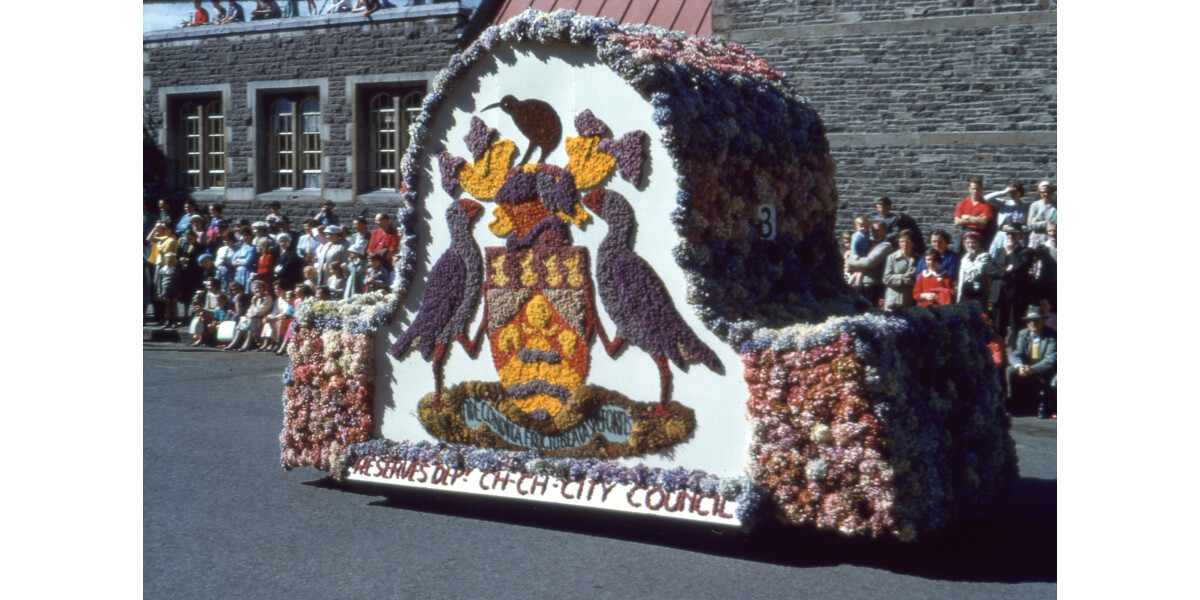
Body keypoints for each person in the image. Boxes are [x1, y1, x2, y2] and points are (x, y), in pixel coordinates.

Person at [1006, 305, 1057, 418]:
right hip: (1026, 367)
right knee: (1010, 370)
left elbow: (1051, 359)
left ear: (1043, 321)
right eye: (1030, 321)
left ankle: (1044, 406)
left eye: (1036, 320)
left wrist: (1034, 369)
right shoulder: (1023, 334)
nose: (1032, 323)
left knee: (1051, 373)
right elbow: (1015, 353)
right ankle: (1013, 405)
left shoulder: (1052, 335)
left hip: (1043, 369)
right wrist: (1020, 366)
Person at [987, 226, 1034, 345]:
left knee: (1015, 327)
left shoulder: (1026, 252)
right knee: (998, 327)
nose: (1010, 236)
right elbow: (990, 270)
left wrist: (1011, 251)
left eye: (1014, 234)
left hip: (1015, 296)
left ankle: (1014, 355)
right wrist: (1005, 271)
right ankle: (999, 355)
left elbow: (1019, 267)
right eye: (1008, 233)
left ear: (1021, 236)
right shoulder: (999, 251)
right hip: (999, 294)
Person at [845, 220, 892, 307]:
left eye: (877, 230)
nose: (875, 233)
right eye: (873, 231)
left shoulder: (886, 245)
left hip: (871, 285)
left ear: (885, 231)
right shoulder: (869, 242)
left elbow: (868, 262)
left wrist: (850, 263)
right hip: (859, 284)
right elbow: (853, 251)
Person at [984, 180, 1030, 253]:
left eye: (1014, 192)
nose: (1012, 194)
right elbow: (986, 198)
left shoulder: (1025, 207)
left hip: (1018, 237)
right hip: (1003, 234)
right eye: (1010, 192)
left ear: (1020, 192)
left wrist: (1020, 228)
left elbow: (1027, 224)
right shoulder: (1003, 203)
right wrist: (1003, 192)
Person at [953, 177, 996, 254]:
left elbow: (983, 222)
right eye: (973, 189)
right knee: (957, 253)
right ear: (969, 189)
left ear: (981, 189)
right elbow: (957, 222)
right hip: (964, 231)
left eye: (977, 189)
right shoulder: (963, 203)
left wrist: (967, 217)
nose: (975, 191)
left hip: (979, 233)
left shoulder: (986, 205)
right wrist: (976, 219)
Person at [881, 229, 918, 310]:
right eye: (901, 241)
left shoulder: (917, 258)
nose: (904, 244)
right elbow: (886, 278)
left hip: (911, 299)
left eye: (907, 241)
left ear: (913, 243)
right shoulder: (892, 257)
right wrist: (902, 279)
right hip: (894, 298)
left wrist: (912, 283)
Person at [956, 231, 990, 305]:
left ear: (979, 243)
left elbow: (976, 274)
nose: (970, 245)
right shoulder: (964, 257)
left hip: (977, 293)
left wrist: (968, 260)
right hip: (965, 294)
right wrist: (959, 298)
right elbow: (961, 280)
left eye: (973, 242)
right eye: (968, 242)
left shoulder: (984, 256)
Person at [1027, 180, 1057, 247]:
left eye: (1048, 192)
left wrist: (1037, 221)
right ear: (1039, 192)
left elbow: (1056, 224)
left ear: (1052, 192)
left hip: (1051, 238)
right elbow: (1030, 225)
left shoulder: (1056, 206)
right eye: (1043, 192)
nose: (1046, 194)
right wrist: (1048, 222)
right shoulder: (1035, 205)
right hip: (1035, 238)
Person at [157, 253, 183, 329]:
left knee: (174, 305)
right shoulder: (162, 270)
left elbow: (179, 281)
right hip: (165, 290)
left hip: (174, 289)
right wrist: (159, 292)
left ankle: (174, 320)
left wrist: (179, 290)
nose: (170, 260)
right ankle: (168, 320)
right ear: (165, 260)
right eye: (168, 259)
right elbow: (159, 281)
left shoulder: (175, 270)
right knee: (167, 305)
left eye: (172, 259)